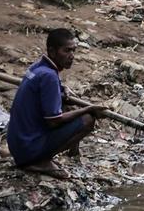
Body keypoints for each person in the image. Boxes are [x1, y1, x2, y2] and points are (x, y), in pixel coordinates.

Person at [6, 29, 105, 179]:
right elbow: (54, 121)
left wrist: (62, 88)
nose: (72, 56)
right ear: (52, 51)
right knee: (87, 119)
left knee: (69, 106)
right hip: (27, 149)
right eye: (66, 51)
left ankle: (71, 153)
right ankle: (40, 161)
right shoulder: (49, 76)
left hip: (18, 145)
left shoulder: (38, 66)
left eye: (73, 51)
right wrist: (89, 108)